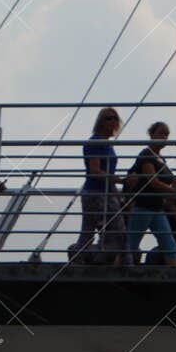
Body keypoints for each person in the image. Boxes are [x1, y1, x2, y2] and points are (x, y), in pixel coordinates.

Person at [68, 107, 123, 264]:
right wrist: (118, 180)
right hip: (96, 193)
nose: (112, 121)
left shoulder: (107, 143)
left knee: (94, 233)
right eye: (108, 118)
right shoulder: (95, 142)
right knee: (114, 232)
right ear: (100, 122)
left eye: (114, 118)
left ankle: (83, 260)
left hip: (105, 192)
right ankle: (87, 261)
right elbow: (94, 171)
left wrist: (117, 194)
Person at [123, 121, 176, 267]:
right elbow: (152, 182)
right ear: (152, 134)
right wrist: (172, 191)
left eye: (166, 134)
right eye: (161, 133)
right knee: (131, 245)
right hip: (144, 206)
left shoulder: (160, 159)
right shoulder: (146, 155)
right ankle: (117, 271)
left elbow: (166, 180)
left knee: (169, 244)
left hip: (156, 208)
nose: (164, 137)